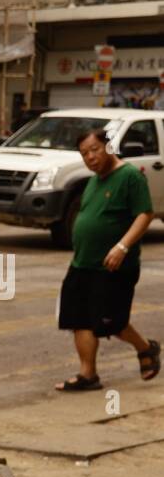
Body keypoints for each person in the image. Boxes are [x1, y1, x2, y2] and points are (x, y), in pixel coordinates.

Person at [54, 127, 160, 391]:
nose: (90, 157)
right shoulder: (93, 180)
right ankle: (88, 374)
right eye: (84, 154)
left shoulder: (130, 176)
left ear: (108, 147)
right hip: (83, 263)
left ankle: (146, 349)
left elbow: (145, 214)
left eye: (94, 150)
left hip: (115, 265)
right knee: (77, 319)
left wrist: (122, 246)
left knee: (111, 321)